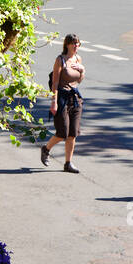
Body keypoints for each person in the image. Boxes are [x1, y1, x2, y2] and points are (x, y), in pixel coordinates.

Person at [41, 34, 85, 174]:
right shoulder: (60, 60)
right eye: (73, 43)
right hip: (61, 98)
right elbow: (55, 82)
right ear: (67, 45)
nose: (76, 46)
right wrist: (53, 101)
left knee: (73, 133)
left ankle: (68, 163)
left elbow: (79, 80)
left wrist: (82, 70)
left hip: (75, 98)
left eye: (77, 43)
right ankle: (46, 149)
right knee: (62, 132)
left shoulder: (78, 59)